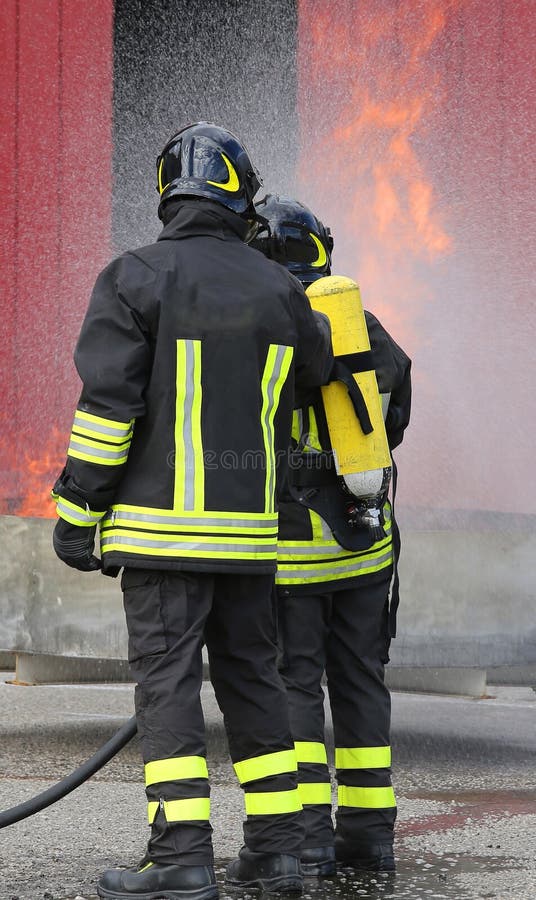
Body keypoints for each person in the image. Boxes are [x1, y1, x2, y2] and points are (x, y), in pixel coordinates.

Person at [51, 126, 333, 900]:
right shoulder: (281, 288)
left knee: (168, 688)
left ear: (167, 193)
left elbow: (109, 412)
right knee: (254, 683)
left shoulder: (135, 276)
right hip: (249, 539)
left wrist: (77, 508)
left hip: (162, 535)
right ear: (240, 194)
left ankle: (179, 856)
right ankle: (280, 850)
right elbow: (315, 374)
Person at [251, 194, 412, 876]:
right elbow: (392, 419)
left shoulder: (260, 326)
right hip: (364, 543)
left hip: (293, 557)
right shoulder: (362, 327)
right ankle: (371, 836)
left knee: (294, 684)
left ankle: (309, 838)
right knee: (361, 683)